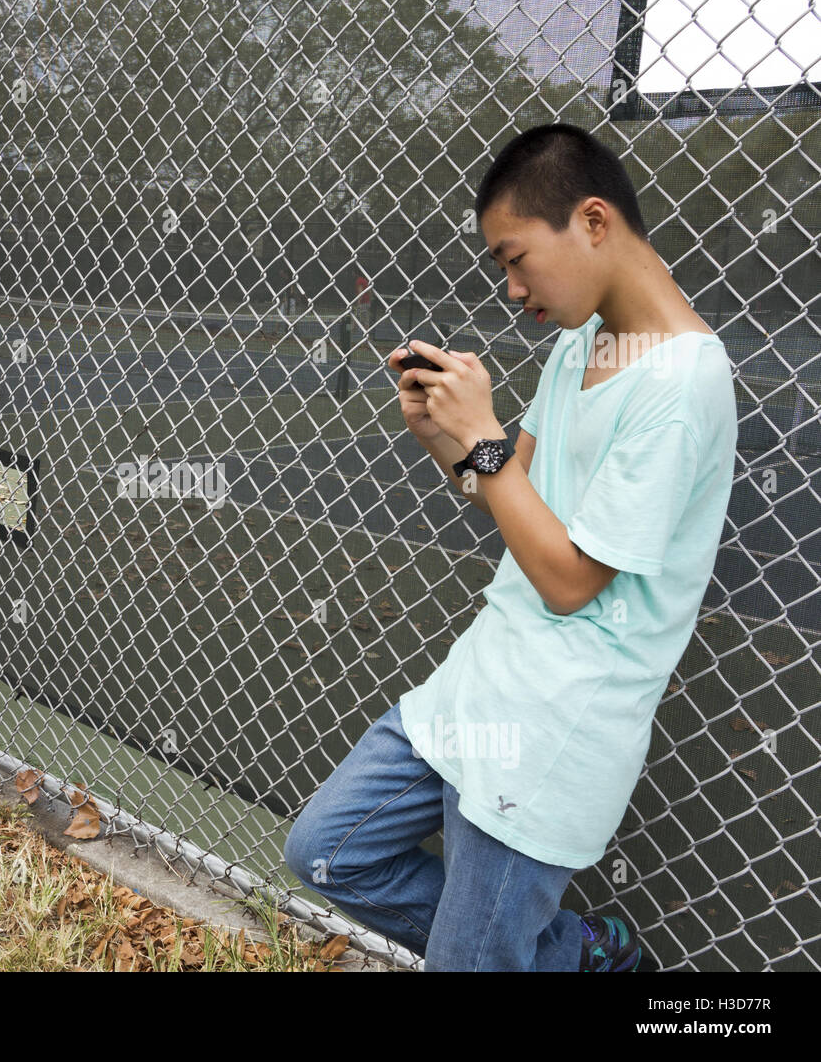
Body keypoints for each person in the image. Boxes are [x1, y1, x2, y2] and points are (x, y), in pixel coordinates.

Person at [284, 123, 737, 971]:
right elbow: (512, 482)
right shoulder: (582, 342)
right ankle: (574, 954)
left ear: (593, 222)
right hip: (479, 678)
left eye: (515, 256)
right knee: (325, 851)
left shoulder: (682, 384)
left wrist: (485, 439)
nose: (511, 285)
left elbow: (569, 580)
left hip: (556, 728)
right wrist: (445, 436)